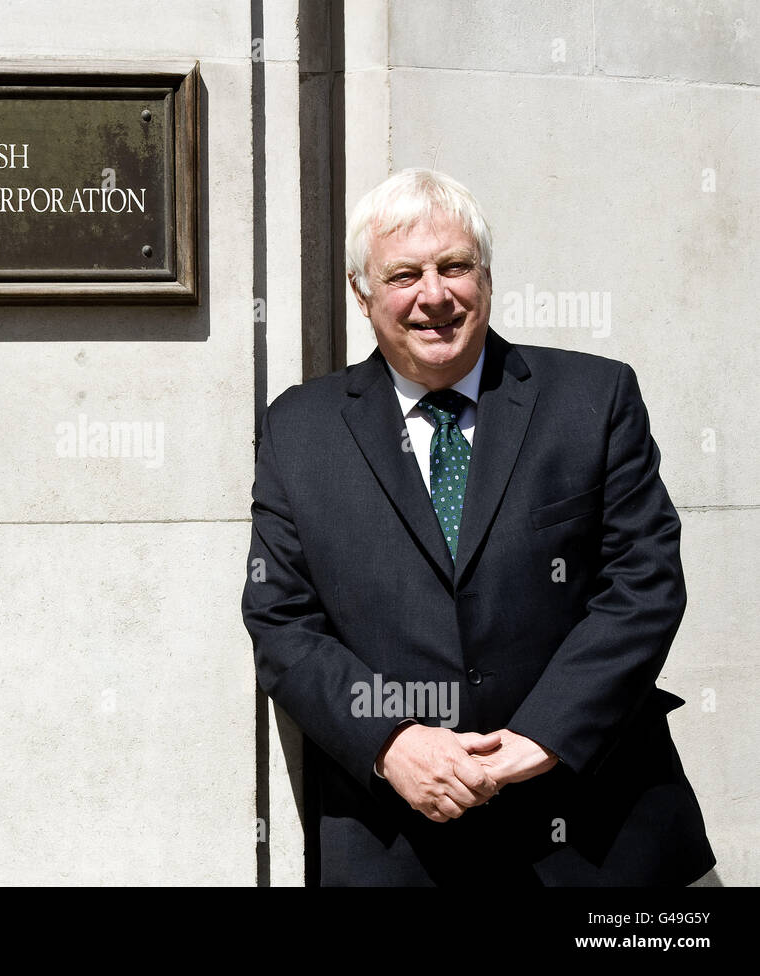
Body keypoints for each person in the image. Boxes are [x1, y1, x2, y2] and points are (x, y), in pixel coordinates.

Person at [242, 168, 715, 885]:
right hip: (400, 844)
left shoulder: (594, 397)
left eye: (455, 266)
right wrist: (390, 741)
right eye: (403, 274)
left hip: (599, 834)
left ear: (486, 277)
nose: (435, 295)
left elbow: (644, 584)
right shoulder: (299, 429)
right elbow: (280, 618)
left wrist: (541, 736)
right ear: (361, 294)